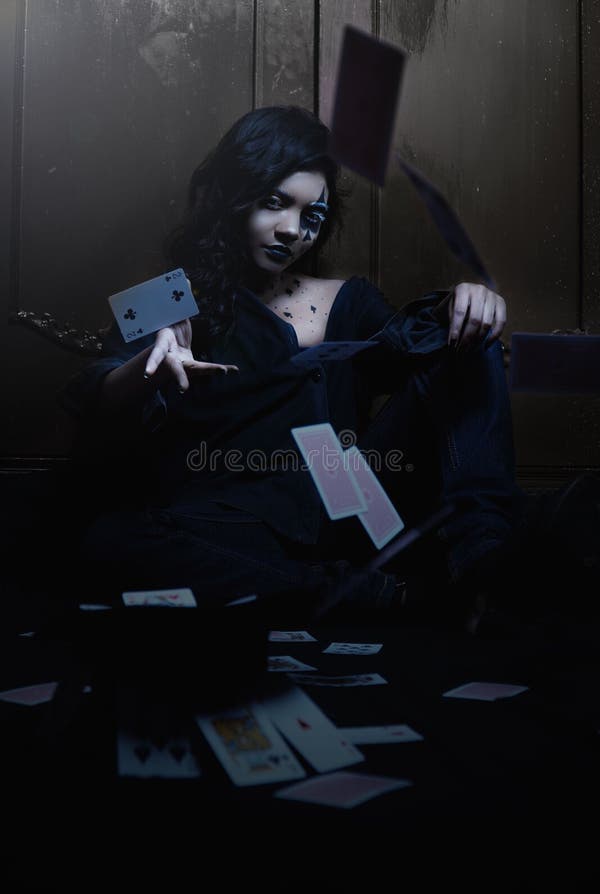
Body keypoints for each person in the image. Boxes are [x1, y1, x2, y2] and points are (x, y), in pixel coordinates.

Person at [59, 105, 526, 624]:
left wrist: (463, 303)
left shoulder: (349, 298)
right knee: (111, 540)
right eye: (275, 203)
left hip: (354, 506)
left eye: (312, 217)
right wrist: (151, 361)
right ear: (235, 198)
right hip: (231, 524)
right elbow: (95, 394)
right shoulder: (168, 294)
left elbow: (418, 353)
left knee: (471, 334)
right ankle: (371, 594)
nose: (293, 231)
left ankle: (485, 564)